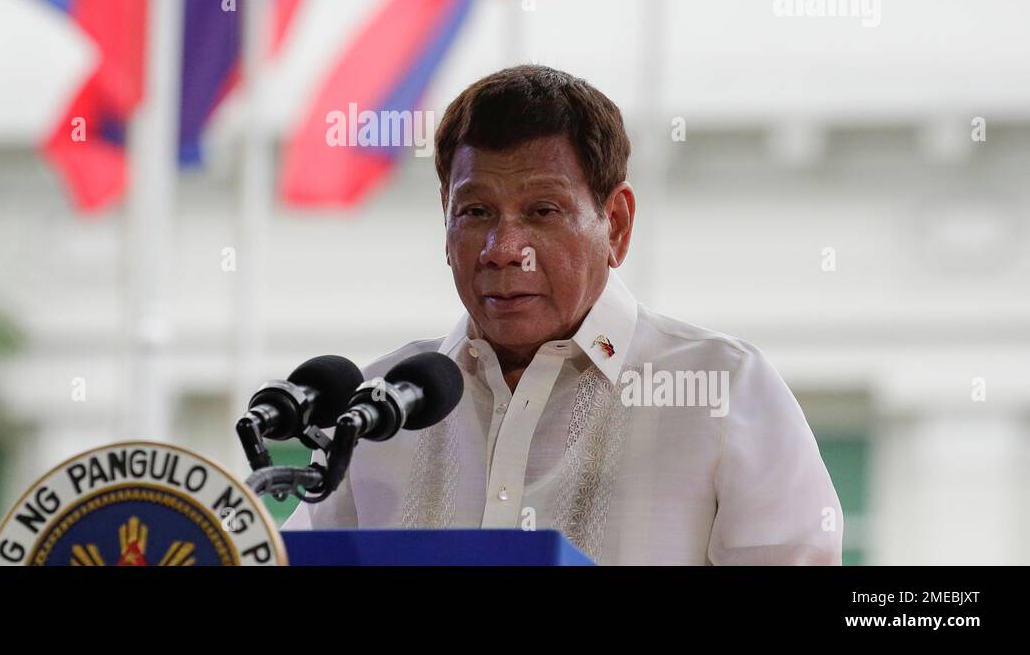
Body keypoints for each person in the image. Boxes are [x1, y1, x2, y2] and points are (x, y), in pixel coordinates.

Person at [282, 64, 842, 565]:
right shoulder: (378, 405)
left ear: (616, 224)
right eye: (476, 211)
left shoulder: (721, 388)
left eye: (542, 211)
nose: (503, 247)